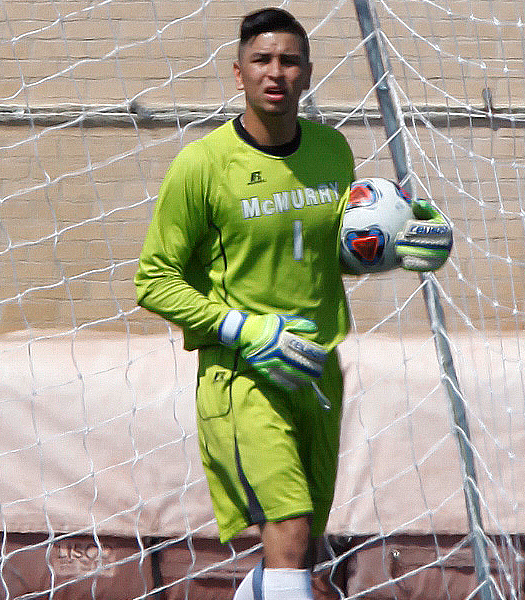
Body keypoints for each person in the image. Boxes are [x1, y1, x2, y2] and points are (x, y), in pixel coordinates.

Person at [135, 8, 355, 600]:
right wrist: (241, 328)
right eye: (262, 60)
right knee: (288, 530)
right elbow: (154, 279)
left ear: (308, 73)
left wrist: (392, 248)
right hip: (244, 377)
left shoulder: (334, 151)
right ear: (238, 73)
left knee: (303, 552)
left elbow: (325, 252)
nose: (275, 72)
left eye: (288, 60)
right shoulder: (202, 165)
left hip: (316, 371)